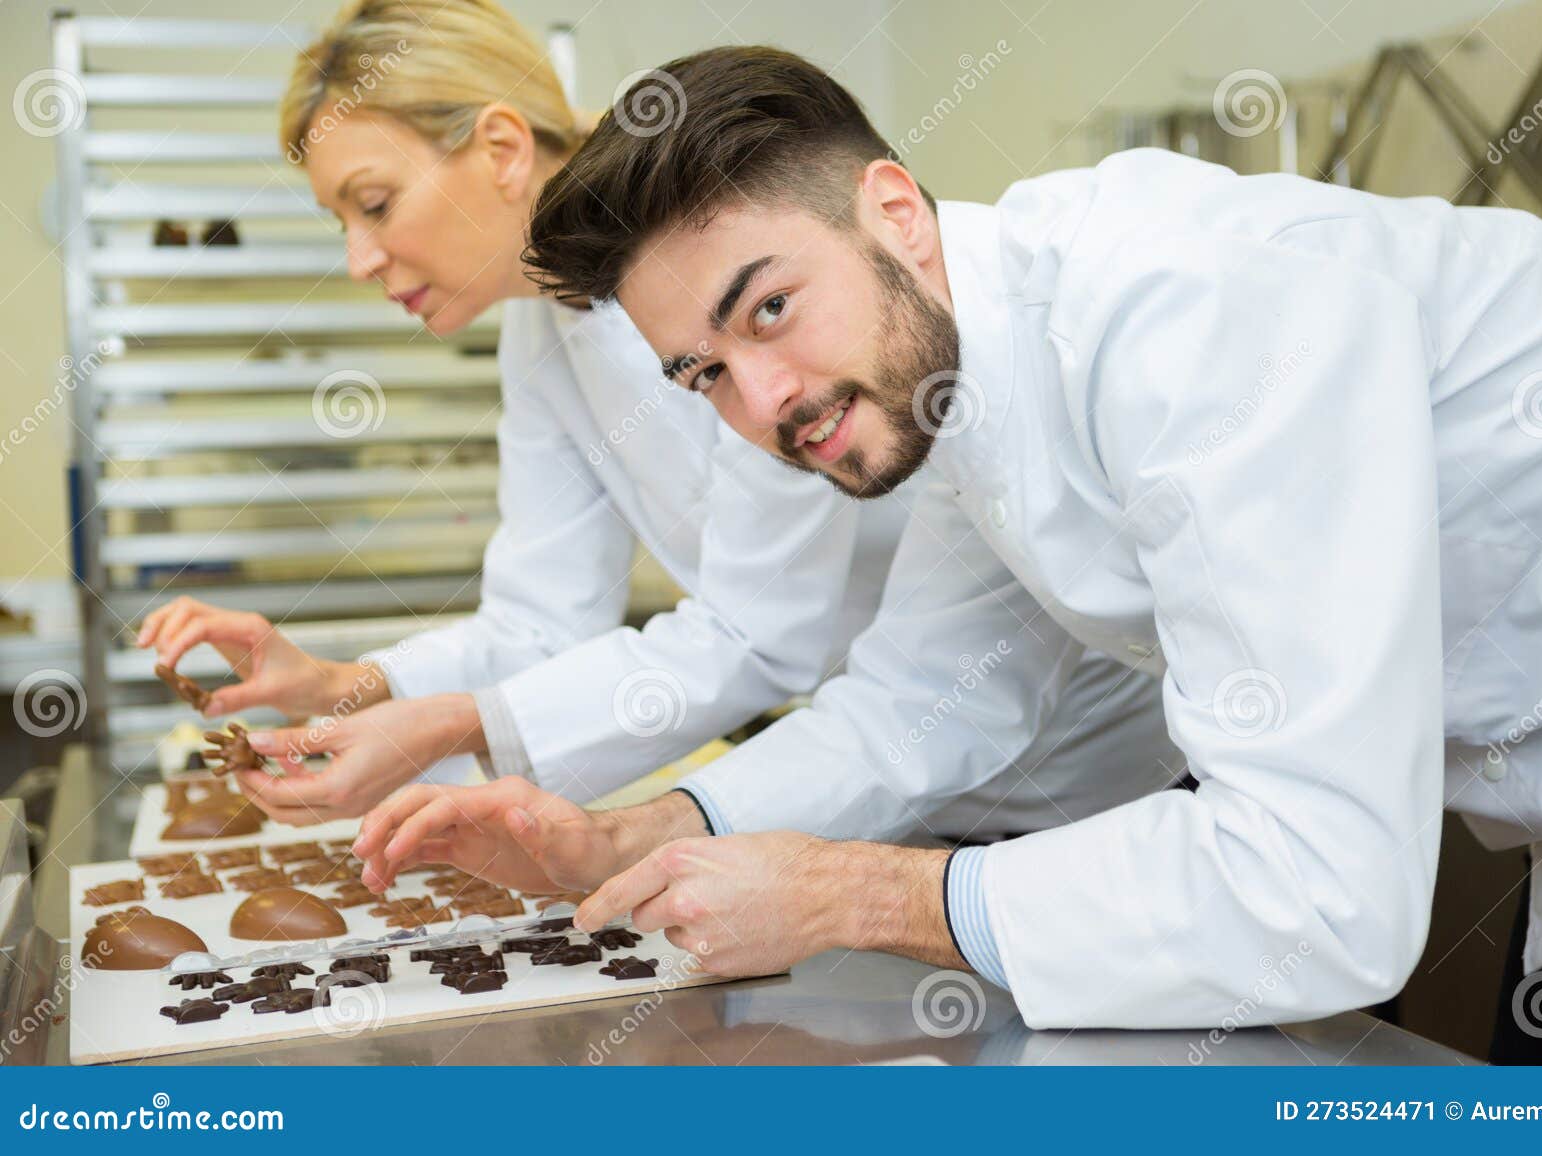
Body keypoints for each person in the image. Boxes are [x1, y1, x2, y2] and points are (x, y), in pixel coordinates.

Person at [361, 45, 1542, 1051]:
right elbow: (918, 703)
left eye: (770, 309)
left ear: (892, 211)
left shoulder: (1195, 317)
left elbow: (1317, 885)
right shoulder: (962, 383)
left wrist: (855, 891)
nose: (763, 403)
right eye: (703, 373)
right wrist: (641, 838)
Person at [140, 4, 1176, 843]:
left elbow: (751, 634)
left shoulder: (713, 279)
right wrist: (349, 686)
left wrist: (454, 728)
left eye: (373, 201)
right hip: (862, 768)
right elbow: (541, 623)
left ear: (500, 147)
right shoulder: (539, 335)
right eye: (339, 223)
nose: (360, 258)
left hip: (1063, 769)